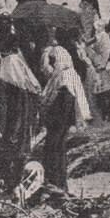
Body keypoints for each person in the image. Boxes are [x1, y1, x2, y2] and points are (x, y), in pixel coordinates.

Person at [0, 37, 43, 189]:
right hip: (23, 126)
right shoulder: (24, 85)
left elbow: (15, 111)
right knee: (19, 155)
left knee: (10, 155)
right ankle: (13, 184)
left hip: (15, 127)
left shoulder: (13, 88)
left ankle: (10, 184)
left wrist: (12, 132)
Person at [41, 44, 90, 189]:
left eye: (52, 61)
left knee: (53, 150)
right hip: (63, 121)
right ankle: (60, 183)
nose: (51, 65)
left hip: (58, 121)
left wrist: (48, 116)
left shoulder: (63, 78)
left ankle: (54, 183)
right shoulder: (68, 73)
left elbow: (61, 103)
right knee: (59, 150)